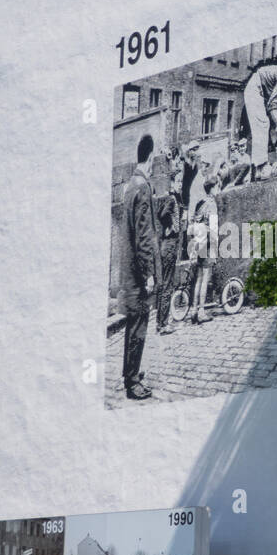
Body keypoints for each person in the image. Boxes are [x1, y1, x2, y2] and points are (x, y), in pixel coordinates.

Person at [118, 134, 162, 399]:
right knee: (138, 326)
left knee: (133, 324)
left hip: (129, 269)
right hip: (138, 272)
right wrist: (148, 274)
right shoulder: (142, 187)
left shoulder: (130, 185)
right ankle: (132, 382)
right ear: (150, 157)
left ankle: (130, 372)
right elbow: (145, 236)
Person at [155, 171, 183, 335]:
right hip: (169, 244)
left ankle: (160, 322)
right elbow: (162, 214)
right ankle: (163, 324)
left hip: (168, 244)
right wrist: (170, 226)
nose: (180, 185)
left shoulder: (171, 198)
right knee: (167, 285)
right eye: (178, 182)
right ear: (172, 183)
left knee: (164, 284)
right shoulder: (171, 199)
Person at [189, 174, 219, 324]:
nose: (218, 189)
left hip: (198, 242)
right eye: (217, 186)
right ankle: (201, 312)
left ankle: (193, 310)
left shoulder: (200, 203)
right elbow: (213, 229)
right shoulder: (212, 204)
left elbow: (194, 222)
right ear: (212, 188)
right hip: (207, 243)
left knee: (199, 278)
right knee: (205, 278)